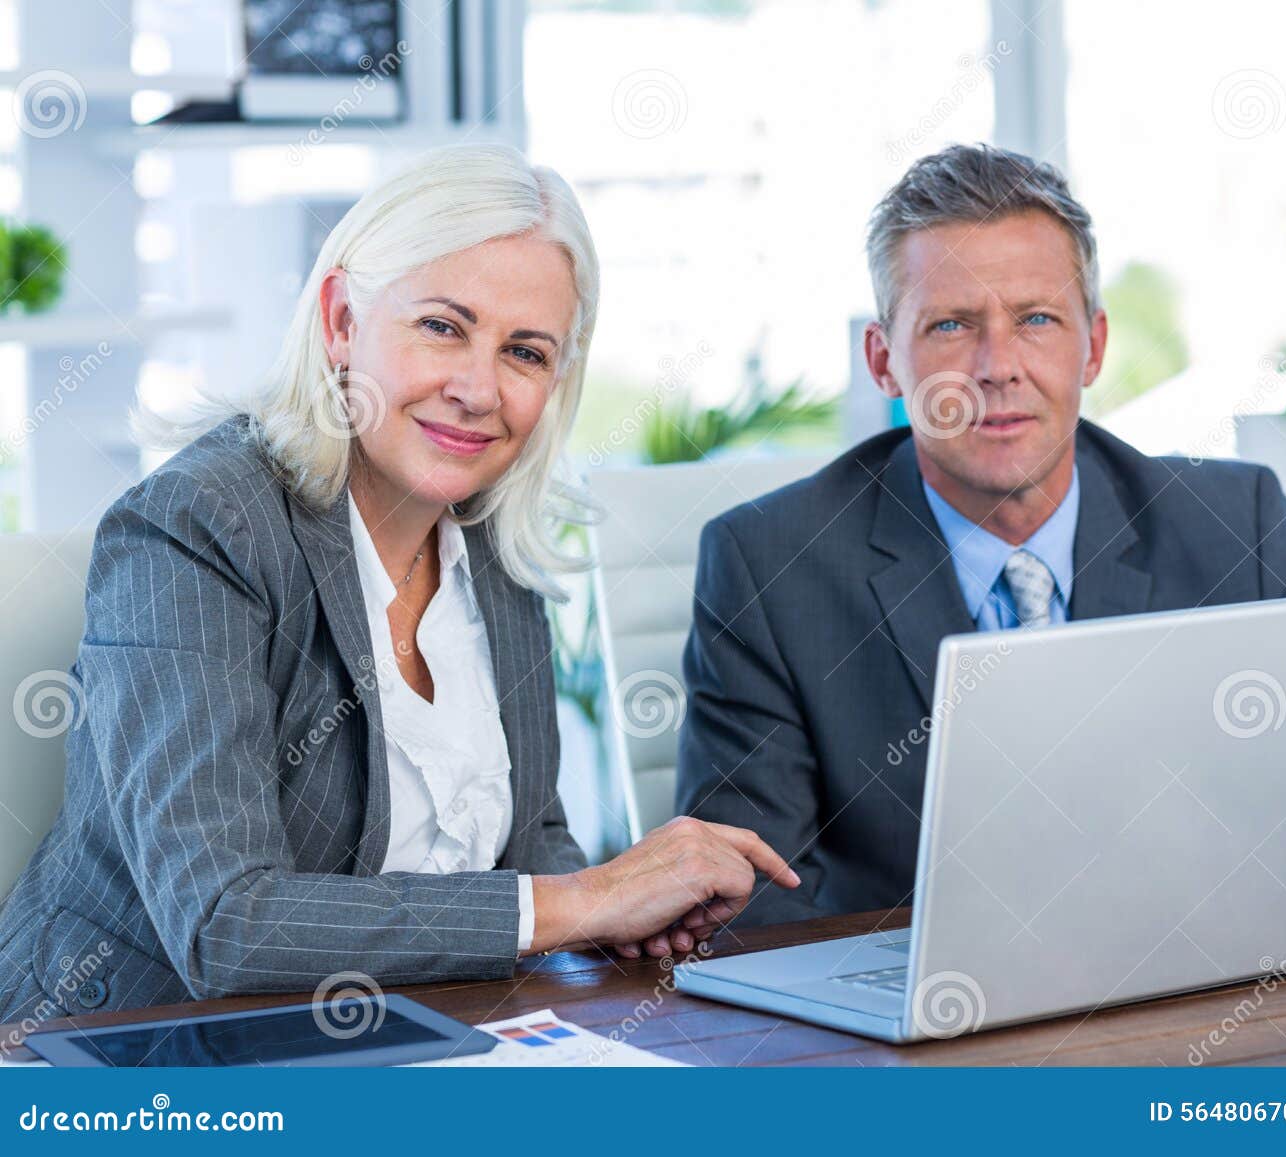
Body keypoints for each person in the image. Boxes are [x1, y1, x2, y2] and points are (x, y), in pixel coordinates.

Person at [0, 144, 796, 1023]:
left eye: (525, 353)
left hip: (417, 1032)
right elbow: (228, 923)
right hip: (134, 1045)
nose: (477, 389)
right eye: (443, 327)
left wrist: (628, 911)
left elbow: (527, 845)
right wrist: (581, 901)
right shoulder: (197, 525)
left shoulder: (492, 545)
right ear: (341, 320)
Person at [676, 143, 1286, 926]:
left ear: (1091, 346)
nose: (998, 365)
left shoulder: (1236, 528)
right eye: (952, 325)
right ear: (885, 361)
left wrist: (1192, 875)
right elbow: (744, 888)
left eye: (1036, 319)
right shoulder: (769, 566)